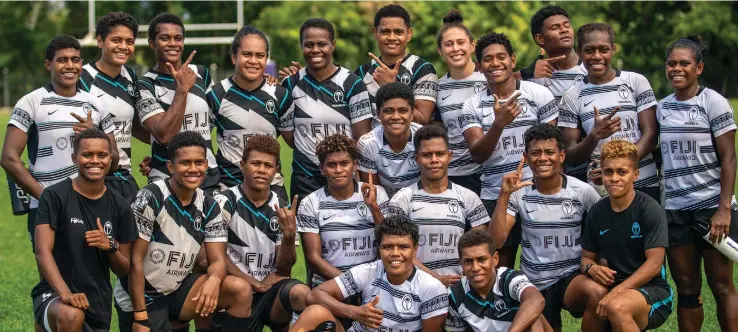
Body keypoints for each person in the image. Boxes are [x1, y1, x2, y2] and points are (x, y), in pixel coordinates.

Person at [122, 131, 252, 332]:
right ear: (171, 167)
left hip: (177, 290)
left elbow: (217, 260)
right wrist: (140, 316)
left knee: (239, 290)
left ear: (206, 166)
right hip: (141, 295)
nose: (193, 169)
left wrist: (214, 280)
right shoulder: (150, 197)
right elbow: (134, 261)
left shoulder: (209, 205)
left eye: (199, 162)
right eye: (185, 163)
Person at [1, 35, 117, 246]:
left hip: (90, 203)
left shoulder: (97, 104)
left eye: (76, 59)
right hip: (46, 206)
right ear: (48, 64)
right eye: (62, 60)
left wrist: (95, 135)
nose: (70, 65)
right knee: (50, 273)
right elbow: (9, 158)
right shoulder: (31, 102)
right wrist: (46, 198)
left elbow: (114, 160)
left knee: (92, 273)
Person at [489, 123, 606, 331]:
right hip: (534, 281)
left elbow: (606, 229)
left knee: (596, 292)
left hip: (571, 277)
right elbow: (496, 241)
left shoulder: (582, 191)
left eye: (549, 152)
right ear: (526, 157)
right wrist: (504, 195)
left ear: (561, 156)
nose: (543, 158)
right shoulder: (519, 193)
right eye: (536, 153)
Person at [658, 36, 738, 332]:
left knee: (721, 286)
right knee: (688, 289)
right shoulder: (661, 107)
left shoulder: (713, 102)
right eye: (671, 63)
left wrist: (724, 210)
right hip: (675, 211)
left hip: (711, 209)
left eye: (684, 63)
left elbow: (729, 158)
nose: (676, 69)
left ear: (699, 67)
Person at [459, 32, 558, 269]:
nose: (495, 63)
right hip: (496, 192)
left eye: (501, 57)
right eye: (487, 59)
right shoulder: (472, 105)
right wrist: (498, 124)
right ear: (480, 66)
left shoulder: (539, 95)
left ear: (513, 60)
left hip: (537, 190)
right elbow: (477, 154)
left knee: (548, 261)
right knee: (497, 264)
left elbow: (552, 147)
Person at [31, 128, 136, 332]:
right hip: (55, 293)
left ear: (110, 159)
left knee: (75, 316)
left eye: (102, 155)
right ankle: (47, 321)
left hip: (97, 300)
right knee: (71, 316)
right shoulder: (55, 196)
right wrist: (65, 293)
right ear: (74, 158)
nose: (95, 161)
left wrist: (110, 247)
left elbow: (125, 269)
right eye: (87, 155)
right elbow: (42, 253)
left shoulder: (120, 205)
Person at [215, 135, 309, 331]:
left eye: (268, 166)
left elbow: (284, 268)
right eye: (255, 163)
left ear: (276, 170)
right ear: (242, 165)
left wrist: (289, 236)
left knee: (301, 293)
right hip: (235, 291)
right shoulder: (224, 202)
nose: (261, 170)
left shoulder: (282, 207)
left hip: (268, 290)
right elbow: (215, 256)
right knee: (240, 292)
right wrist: (253, 284)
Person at [558, 23, 660, 201]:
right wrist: (593, 136)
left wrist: (620, 166)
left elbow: (651, 135)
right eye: (589, 50)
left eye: (603, 49)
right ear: (580, 52)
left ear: (613, 49)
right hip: (603, 189)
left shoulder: (636, 82)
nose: (597, 56)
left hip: (643, 183)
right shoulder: (572, 96)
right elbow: (570, 154)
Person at [581, 140, 673, 331]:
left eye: (622, 172)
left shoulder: (650, 209)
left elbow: (654, 265)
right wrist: (591, 268)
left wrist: (616, 292)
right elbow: (586, 258)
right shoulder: (597, 212)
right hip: (614, 286)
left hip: (652, 289)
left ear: (635, 175)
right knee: (594, 313)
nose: (614, 178)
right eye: (608, 172)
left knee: (616, 307)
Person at [281, 18, 373, 208]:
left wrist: (339, 164)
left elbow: (362, 137)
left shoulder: (352, 83)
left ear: (333, 45)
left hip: (343, 177)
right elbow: (290, 137)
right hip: (305, 177)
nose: (315, 50)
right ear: (301, 46)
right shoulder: (290, 85)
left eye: (322, 44)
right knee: (309, 236)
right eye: (309, 44)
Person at [304, 215, 448, 331]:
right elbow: (313, 296)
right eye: (387, 247)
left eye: (403, 247)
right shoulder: (368, 271)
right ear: (379, 248)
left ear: (415, 249)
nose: (395, 253)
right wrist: (354, 312)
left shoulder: (432, 288)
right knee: (315, 314)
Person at [386, 125, 490, 286]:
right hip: (416, 287)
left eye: (440, 154)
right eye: (427, 155)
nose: (434, 160)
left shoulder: (469, 197)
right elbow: (397, 253)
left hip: (459, 287)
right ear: (416, 159)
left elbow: (480, 247)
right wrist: (435, 278)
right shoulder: (402, 200)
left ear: (449, 156)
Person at [134, 13, 220, 194]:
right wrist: (181, 90)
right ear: (152, 43)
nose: (173, 43)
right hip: (166, 179)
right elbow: (163, 135)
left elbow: (212, 119)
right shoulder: (145, 84)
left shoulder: (201, 74)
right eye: (164, 38)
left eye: (178, 38)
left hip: (207, 176)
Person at [208, 26, 292, 201]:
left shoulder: (280, 95)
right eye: (247, 54)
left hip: (272, 188)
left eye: (260, 55)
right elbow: (199, 142)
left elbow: (296, 142)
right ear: (234, 57)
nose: (253, 61)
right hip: (228, 188)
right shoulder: (216, 94)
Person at [297, 134, 389, 288]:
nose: (338, 170)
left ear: (354, 165)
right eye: (332, 165)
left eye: (344, 163)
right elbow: (313, 259)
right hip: (331, 287)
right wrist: (351, 285)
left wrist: (373, 207)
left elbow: (390, 241)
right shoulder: (310, 203)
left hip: (373, 285)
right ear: (322, 169)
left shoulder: (376, 194)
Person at [521, 5, 589, 182]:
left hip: (590, 167)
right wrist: (526, 73)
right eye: (555, 27)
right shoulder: (531, 79)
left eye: (566, 25)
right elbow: (493, 83)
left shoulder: (592, 71)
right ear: (539, 38)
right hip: (550, 171)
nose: (564, 30)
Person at [78, 12, 141, 203]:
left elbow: (135, 126)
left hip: (123, 177)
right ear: (100, 41)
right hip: (93, 176)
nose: (123, 47)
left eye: (129, 41)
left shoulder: (130, 75)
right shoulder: (83, 77)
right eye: (116, 40)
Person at [447, 230, 552, 332]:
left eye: (481, 259)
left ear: (495, 259)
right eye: (468, 261)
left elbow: (536, 300)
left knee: (535, 317)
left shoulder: (508, 278)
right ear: (461, 263)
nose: (475, 268)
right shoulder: (455, 295)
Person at [354, 3, 438, 127]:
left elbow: (422, 119)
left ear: (409, 34)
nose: (392, 37)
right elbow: (360, 125)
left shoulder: (423, 69)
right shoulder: (361, 73)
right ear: (375, 32)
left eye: (398, 32)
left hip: (413, 145)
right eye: (385, 32)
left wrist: (390, 87)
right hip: (375, 145)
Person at [434, 10, 486, 196]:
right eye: (448, 44)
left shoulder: (489, 80)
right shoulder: (437, 88)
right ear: (440, 51)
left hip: (486, 173)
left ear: (472, 46)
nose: (455, 49)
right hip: (452, 175)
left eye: (460, 42)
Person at [357, 82, 422, 197]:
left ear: (412, 113)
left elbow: (430, 183)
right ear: (378, 114)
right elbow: (374, 192)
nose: (396, 117)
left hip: (419, 202)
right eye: (388, 111)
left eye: (402, 110)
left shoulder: (424, 139)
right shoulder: (367, 143)